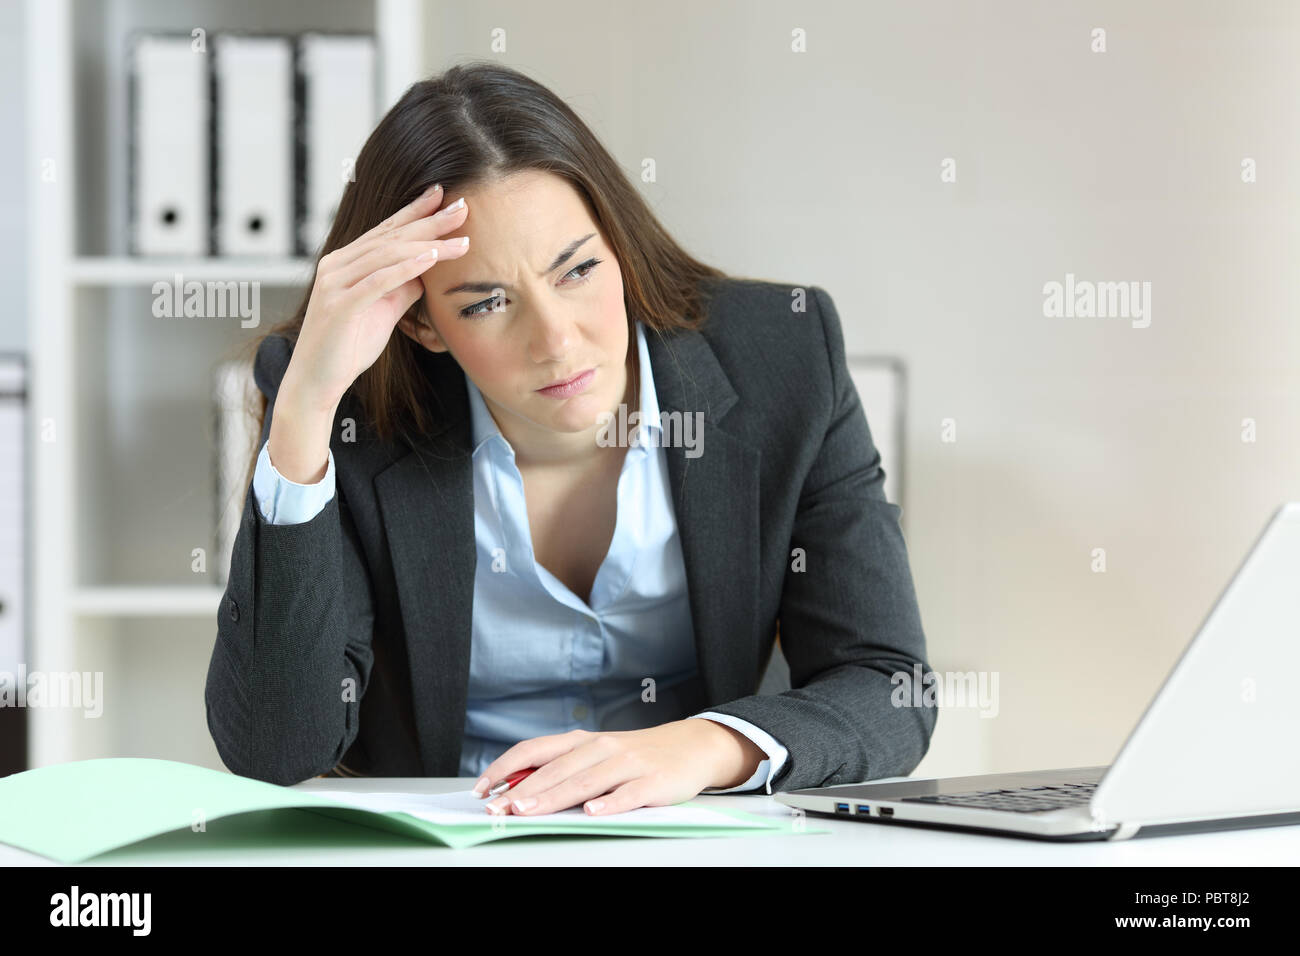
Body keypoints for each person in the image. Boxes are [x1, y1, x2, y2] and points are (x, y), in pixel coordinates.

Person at [206, 61, 936, 817]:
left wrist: (703, 747)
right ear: (420, 321)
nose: (556, 341)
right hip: (452, 843)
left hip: (696, 828)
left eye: (578, 269)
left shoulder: (782, 357)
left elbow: (887, 684)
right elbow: (273, 749)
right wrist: (303, 412)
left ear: (618, 244)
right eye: (488, 301)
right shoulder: (351, 407)